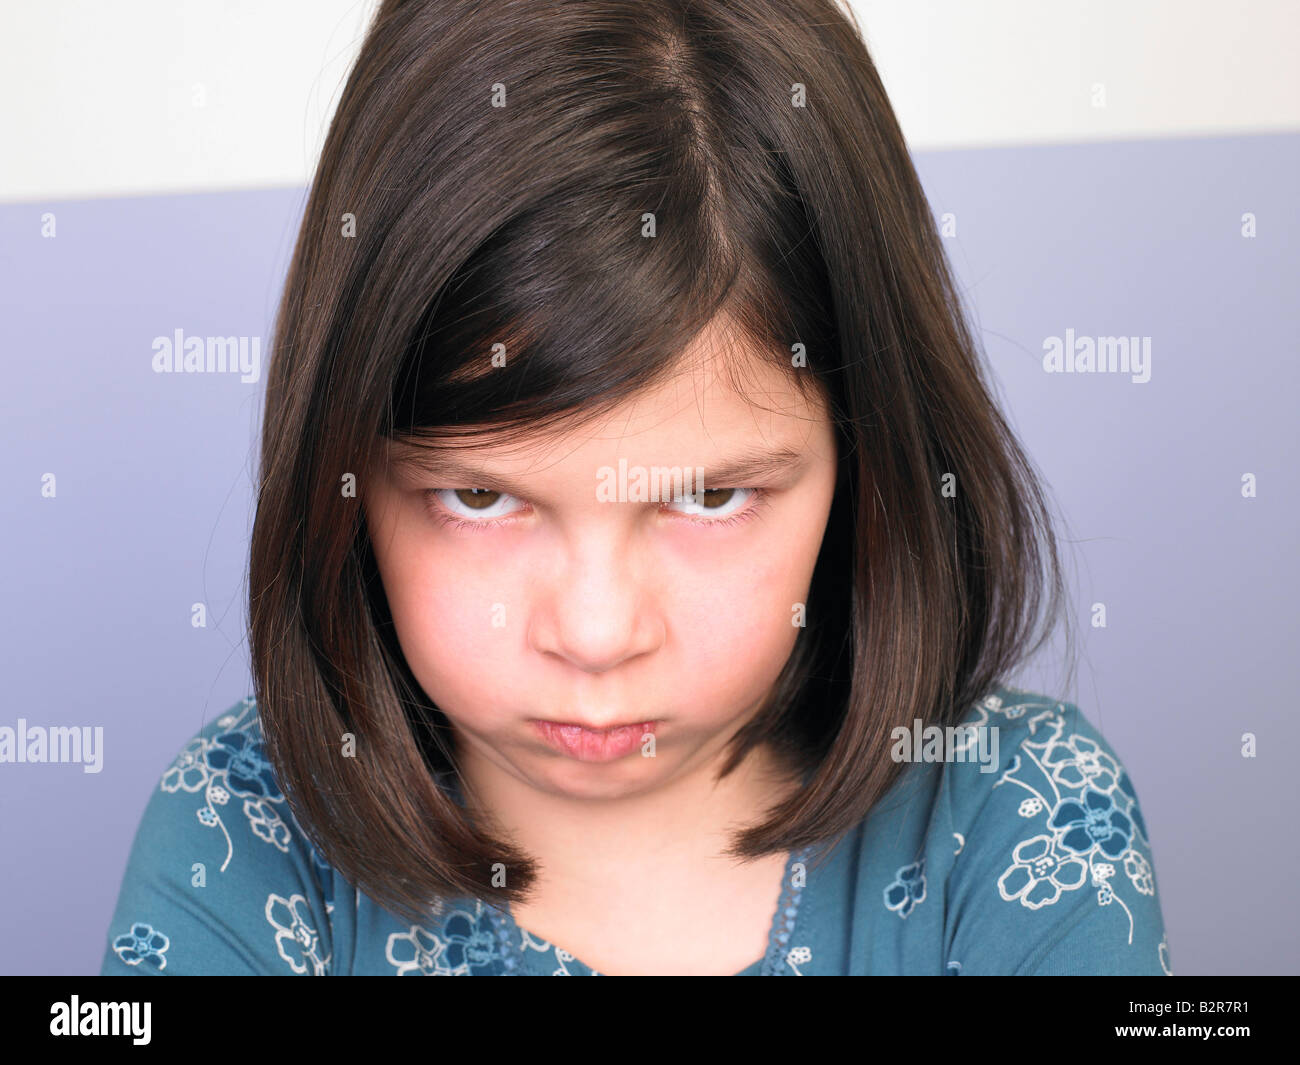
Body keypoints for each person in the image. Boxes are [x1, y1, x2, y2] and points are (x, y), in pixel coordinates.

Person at [100, 0, 1170, 976]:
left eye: (708, 499)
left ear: (867, 464)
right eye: (479, 499)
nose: (598, 634)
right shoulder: (243, 835)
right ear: (347, 485)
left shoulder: (1021, 818)